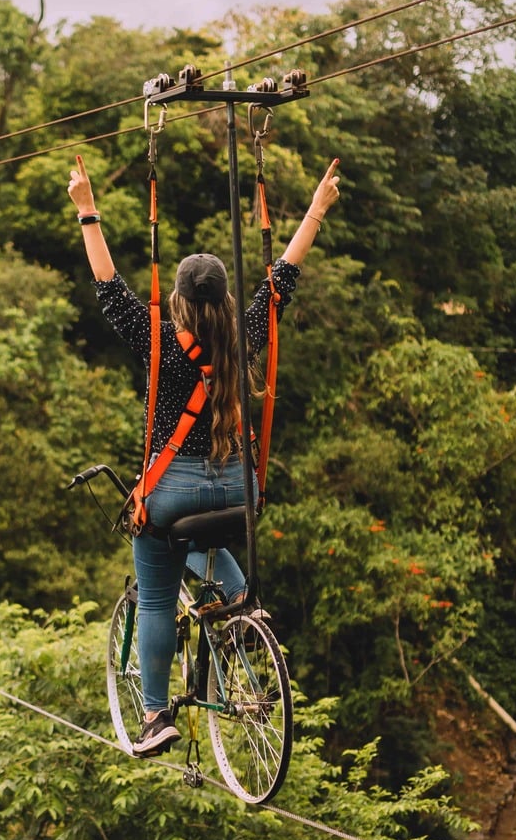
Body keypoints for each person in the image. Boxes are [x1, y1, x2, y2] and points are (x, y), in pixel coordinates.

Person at [68, 157, 343, 755]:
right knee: (212, 553)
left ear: (178, 299)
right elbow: (283, 276)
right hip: (238, 492)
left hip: (171, 493)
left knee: (159, 593)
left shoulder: (159, 338)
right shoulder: (243, 332)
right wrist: (316, 211)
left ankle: (156, 715)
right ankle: (242, 616)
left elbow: (109, 288)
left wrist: (87, 208)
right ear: (223, 299)